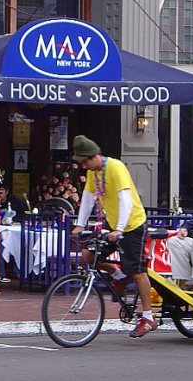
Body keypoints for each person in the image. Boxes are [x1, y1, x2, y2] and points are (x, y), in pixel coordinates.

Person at [70, 135, 157, 338]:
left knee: (137, 270)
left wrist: (119, 229)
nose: (83, 166)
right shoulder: (94, 173)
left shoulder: (115, 167)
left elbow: (125, 198)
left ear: (93, 157)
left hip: (132, 224)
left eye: (84, 161)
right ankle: (118, 275)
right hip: (114, 223)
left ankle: (148, 316)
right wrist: (80, 224)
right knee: (88, 255)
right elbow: (88, 197)